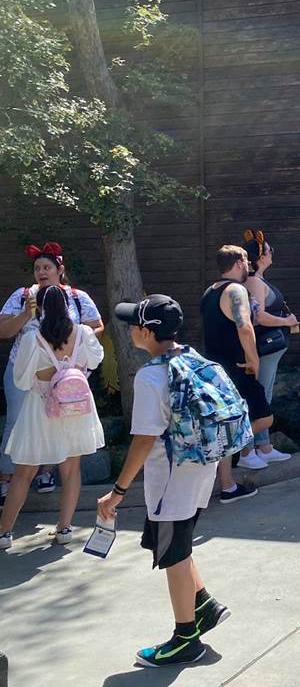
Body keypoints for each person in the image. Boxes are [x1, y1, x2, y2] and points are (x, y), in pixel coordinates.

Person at [100, 296, 230, 667]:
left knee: (174, 555)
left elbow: (143, 441)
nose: (129, 330)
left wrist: (117, 492)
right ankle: (204, 605)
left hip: (171, 482)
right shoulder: (197, 360)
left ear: (146, 331)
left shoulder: (151, 376)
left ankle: (185, 638)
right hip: (200, 472)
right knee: (176, 545)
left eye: (132, 324)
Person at [0, 284, 105, 548]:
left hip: (40, 407)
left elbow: (21, 380)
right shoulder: (82, 333)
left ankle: (4, 532)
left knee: (24, 471)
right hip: (76, 410)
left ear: (41, 307)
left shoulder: (32, 338)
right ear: (68, 306)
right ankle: (65, 529)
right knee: (71, 470)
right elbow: (95, 360)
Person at [202, 245, 270, 503]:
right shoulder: (236, 290)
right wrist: (254, 360)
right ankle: (223, 453)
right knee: (264, 418)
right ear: (239, 263)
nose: (250, 267)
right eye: (246, 262)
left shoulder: (210, 291)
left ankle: (228, 485)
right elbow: (244, 326)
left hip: (215, 370)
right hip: (237, 368)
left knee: (229, 425)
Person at [239, 231, 297, 470]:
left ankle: (264, 446)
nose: (272, 254)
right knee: (260, 396)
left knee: (266, 394)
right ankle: (249, 449)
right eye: (270, 250)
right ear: (261, 256)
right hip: (264, 346)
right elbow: (258, 316)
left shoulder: (258, 279)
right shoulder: (253, 281)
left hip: (272, 349)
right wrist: (286, 321)